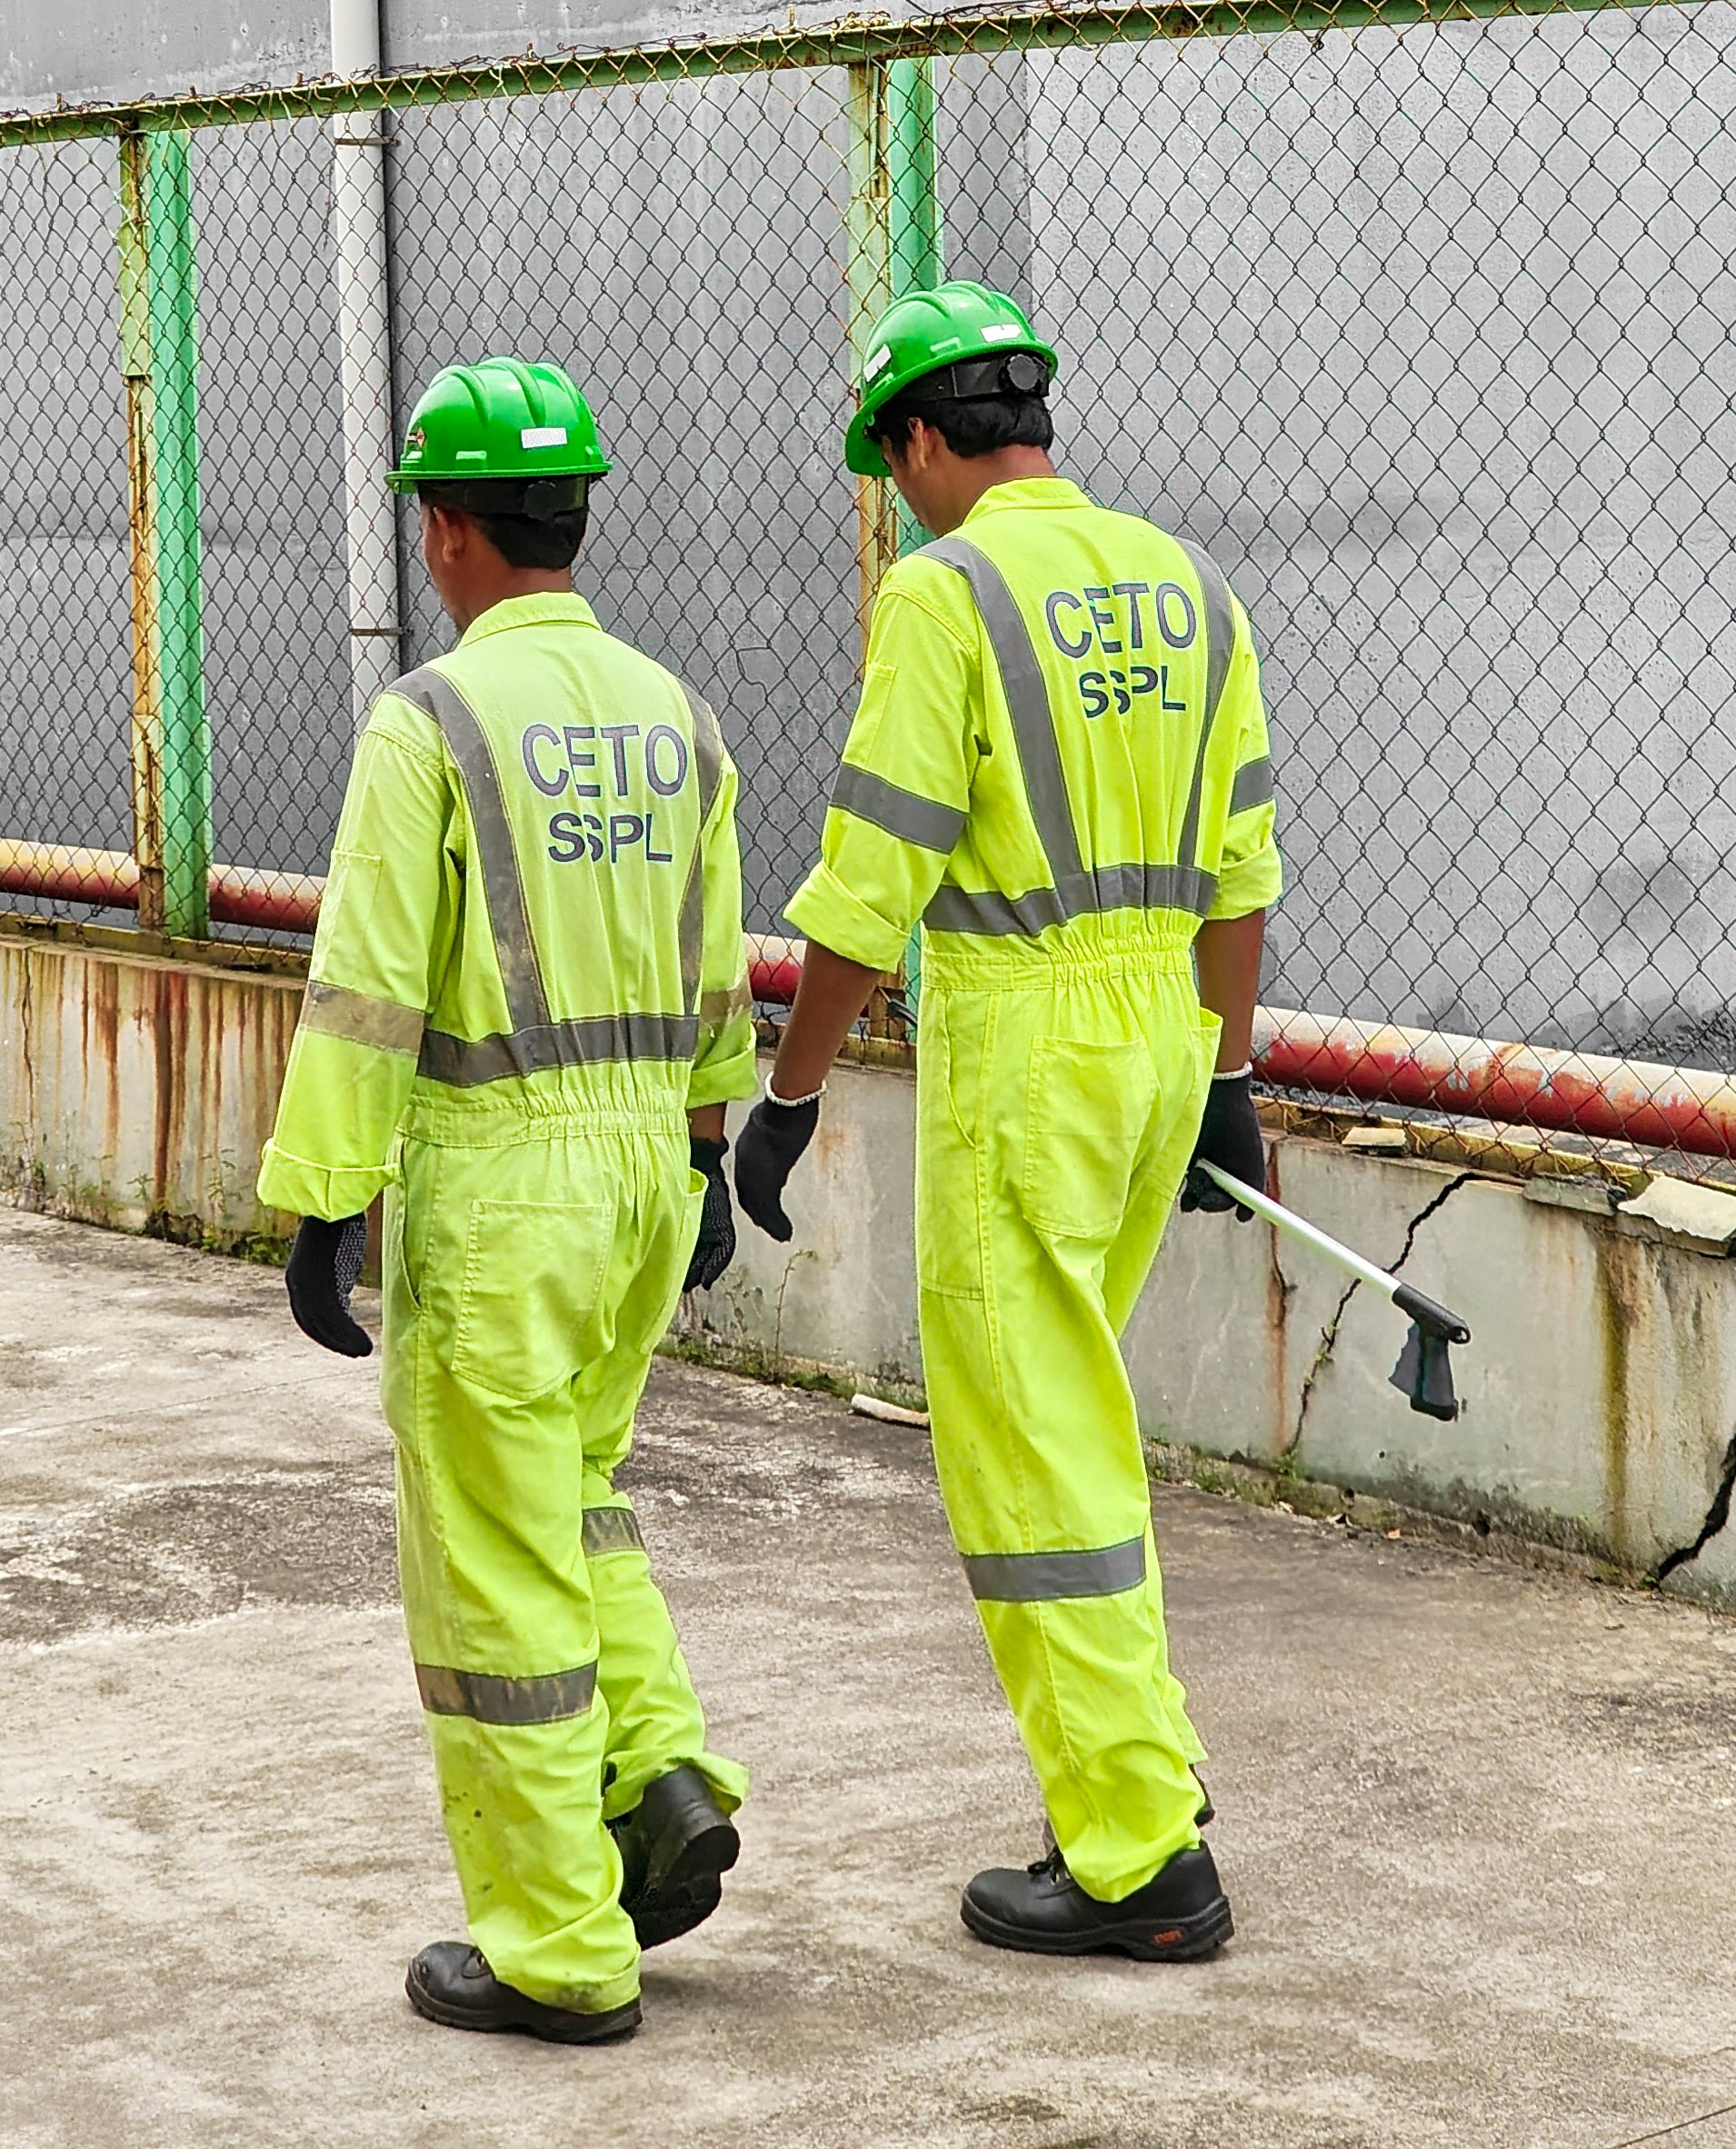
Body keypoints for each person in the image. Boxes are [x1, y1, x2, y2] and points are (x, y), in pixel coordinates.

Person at [733, 281, 1280, 1962]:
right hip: (1160, 1047)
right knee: (1077, 1435)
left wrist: (790, 1089)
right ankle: (1135, 1789)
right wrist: (1233, 1077)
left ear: (918, 438)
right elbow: (1242, 860)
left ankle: (1136, 1855)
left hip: (1027, 1060)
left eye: (886, 459)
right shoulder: (1185, 581)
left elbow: (870, 875)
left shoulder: (944, 590)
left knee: (1032, 1462)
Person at [257, 354, 755, 2044]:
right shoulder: (677, 715)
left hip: (500, 1187)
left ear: (444, 533)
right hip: (636, 1180)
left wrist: (326, 1204)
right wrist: (701, 1157)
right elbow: (717, 976)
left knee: (492, 1565)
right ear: (579, 514)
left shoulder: (432, 724)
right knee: (579, 1494)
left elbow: (368, 988)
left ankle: (556, 1942)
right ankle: (656, 1764)